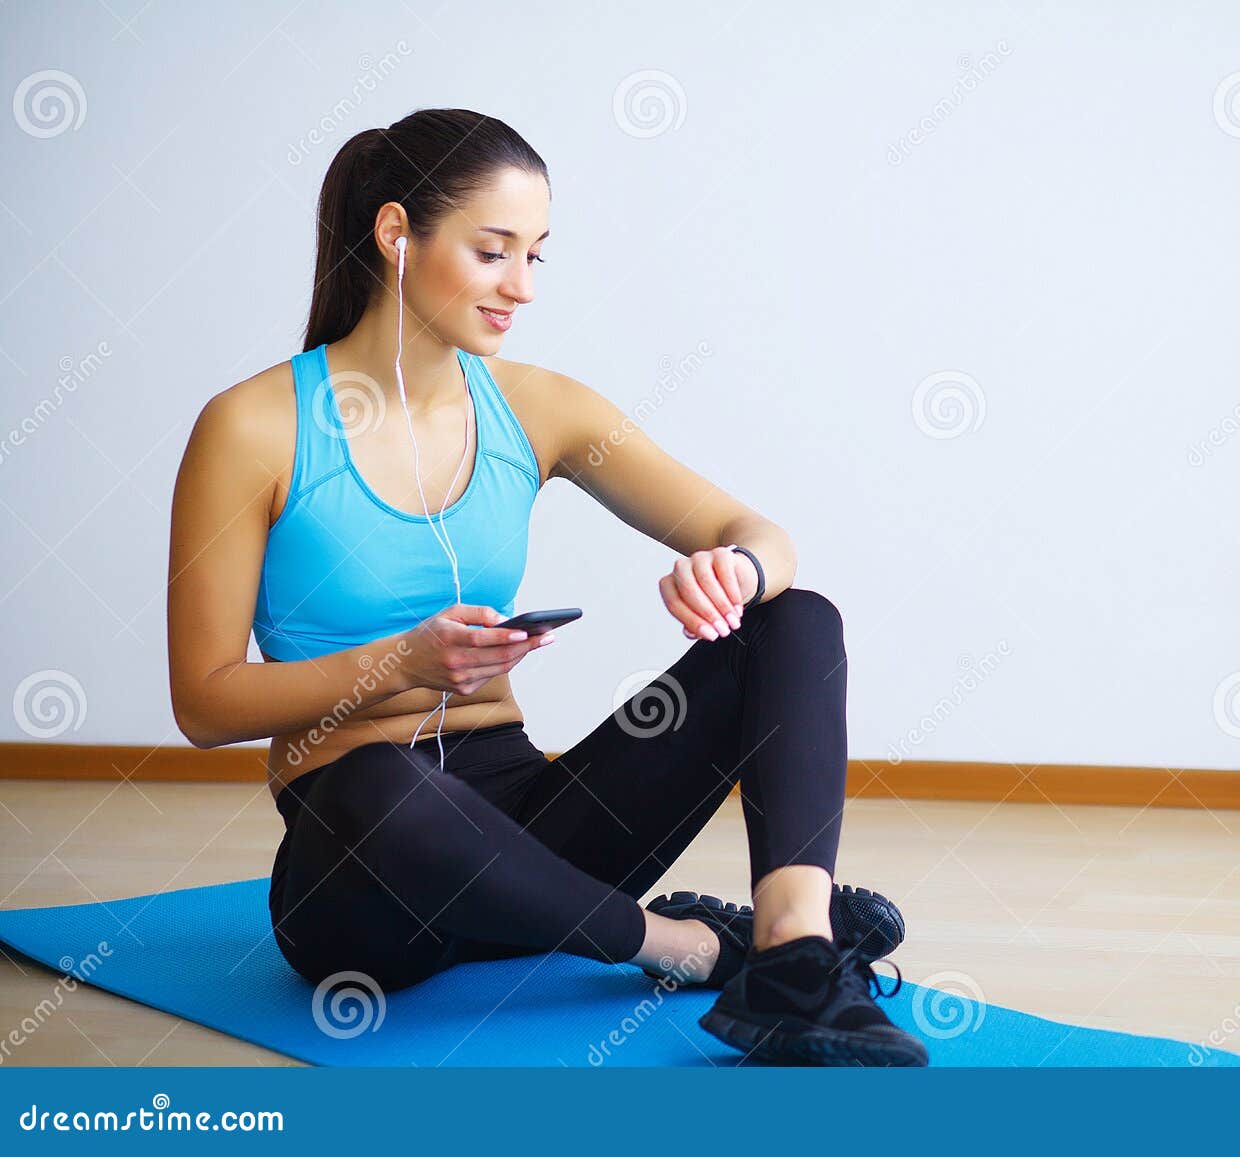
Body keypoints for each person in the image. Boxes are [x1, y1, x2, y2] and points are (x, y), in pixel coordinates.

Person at [165, 108, 927, 1067]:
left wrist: (734, 568)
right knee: (375, 782)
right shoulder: (253, 427)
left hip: (534, 832)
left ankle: (792, 950)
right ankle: (693, 945)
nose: (522, 287)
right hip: (363, 878)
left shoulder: (540, 405)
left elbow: (764, 536)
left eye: (537, 255)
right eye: (494, 252)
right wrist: (401, 662)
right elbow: (203, 700)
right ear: (398, 235)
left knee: (795, 619)